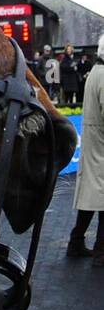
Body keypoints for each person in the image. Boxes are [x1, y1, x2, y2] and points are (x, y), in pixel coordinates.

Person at [68, 33, 104, 266]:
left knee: (92, 196)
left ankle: (76, 242)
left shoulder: (95, 72)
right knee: (101, 199)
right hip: (101, 143)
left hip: (94, 141)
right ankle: (101, 253)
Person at [60, 44, 82, 109]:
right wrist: (72, 68)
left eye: (70, 49)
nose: (69, 50)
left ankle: (72, 109)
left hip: (72, 81)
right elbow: (63, 67)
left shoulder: (73, 58)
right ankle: (66, 109)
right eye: (68, 49)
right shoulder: (64, 59)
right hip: (67, 81)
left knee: (72, 96)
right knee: (66, 97)